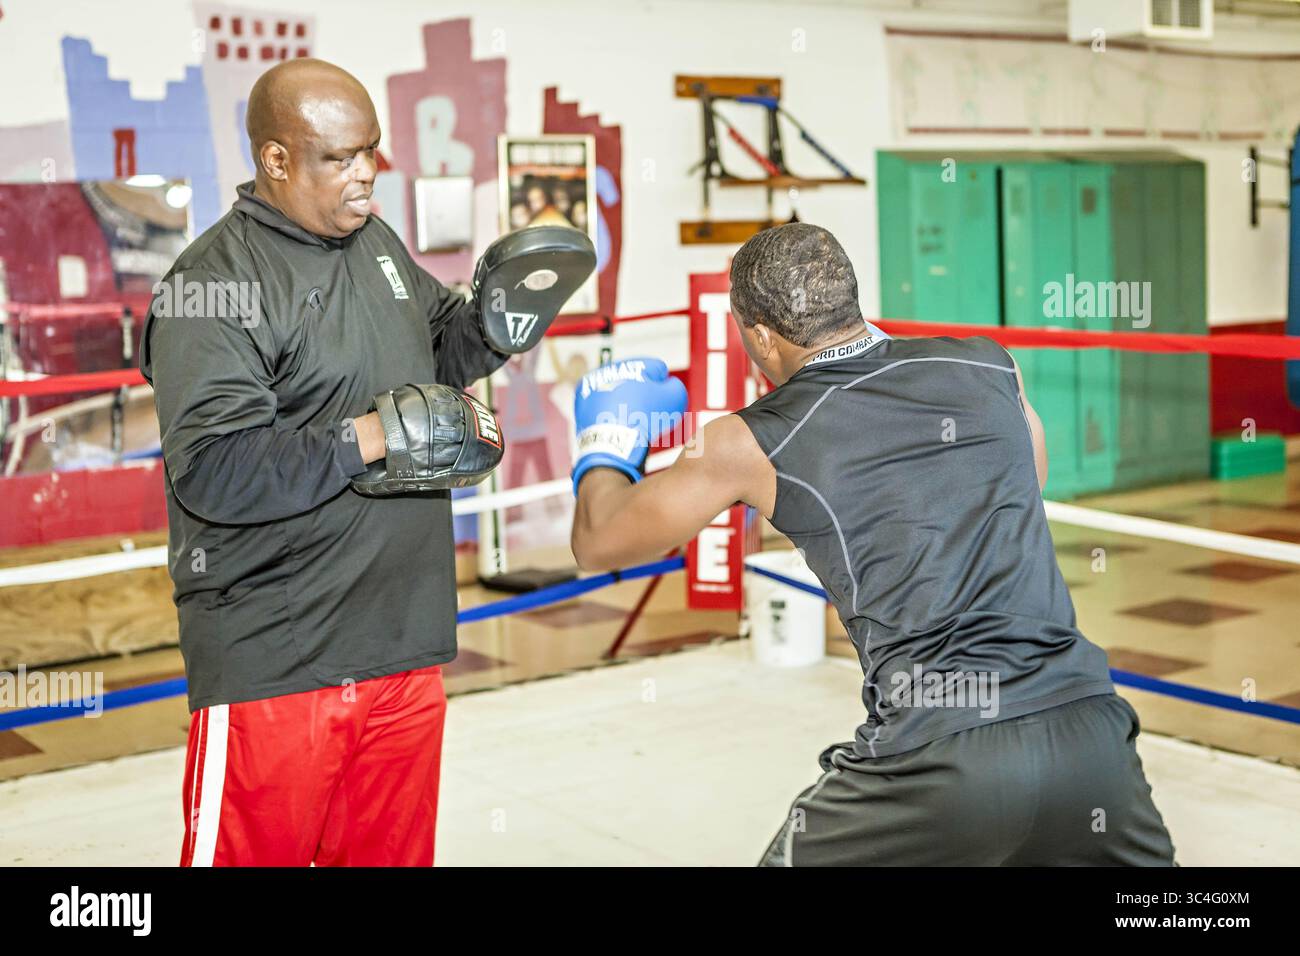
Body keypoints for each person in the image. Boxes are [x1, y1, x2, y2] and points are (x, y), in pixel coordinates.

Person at [568, 223, 1176, 866]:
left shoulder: (749, 441)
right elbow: (1030, 476)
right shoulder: (990, 364)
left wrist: (605, 440)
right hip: (1089, 736)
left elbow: (600, 541)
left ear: (760, 336)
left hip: (935, 758)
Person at [141, 58, 513, 866]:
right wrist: (370, 436)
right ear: (275, 159)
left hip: (403, 640)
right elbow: (212, 468)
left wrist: (501, 320)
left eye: (370, 150)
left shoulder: (374, 243)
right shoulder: (213, 285)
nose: (364, 174)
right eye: (338, 157)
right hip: (280, 656)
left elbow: (441, 346)